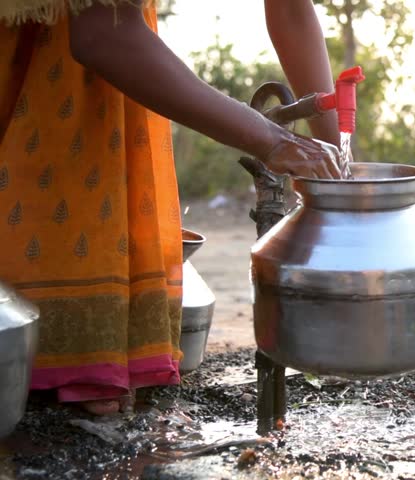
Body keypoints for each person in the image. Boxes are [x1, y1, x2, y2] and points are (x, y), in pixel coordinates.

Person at [0, 0, 342, 415]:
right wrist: (274, 142)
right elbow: (103, 34)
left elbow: (289, 11)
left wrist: (339, 152)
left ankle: (65, 365)